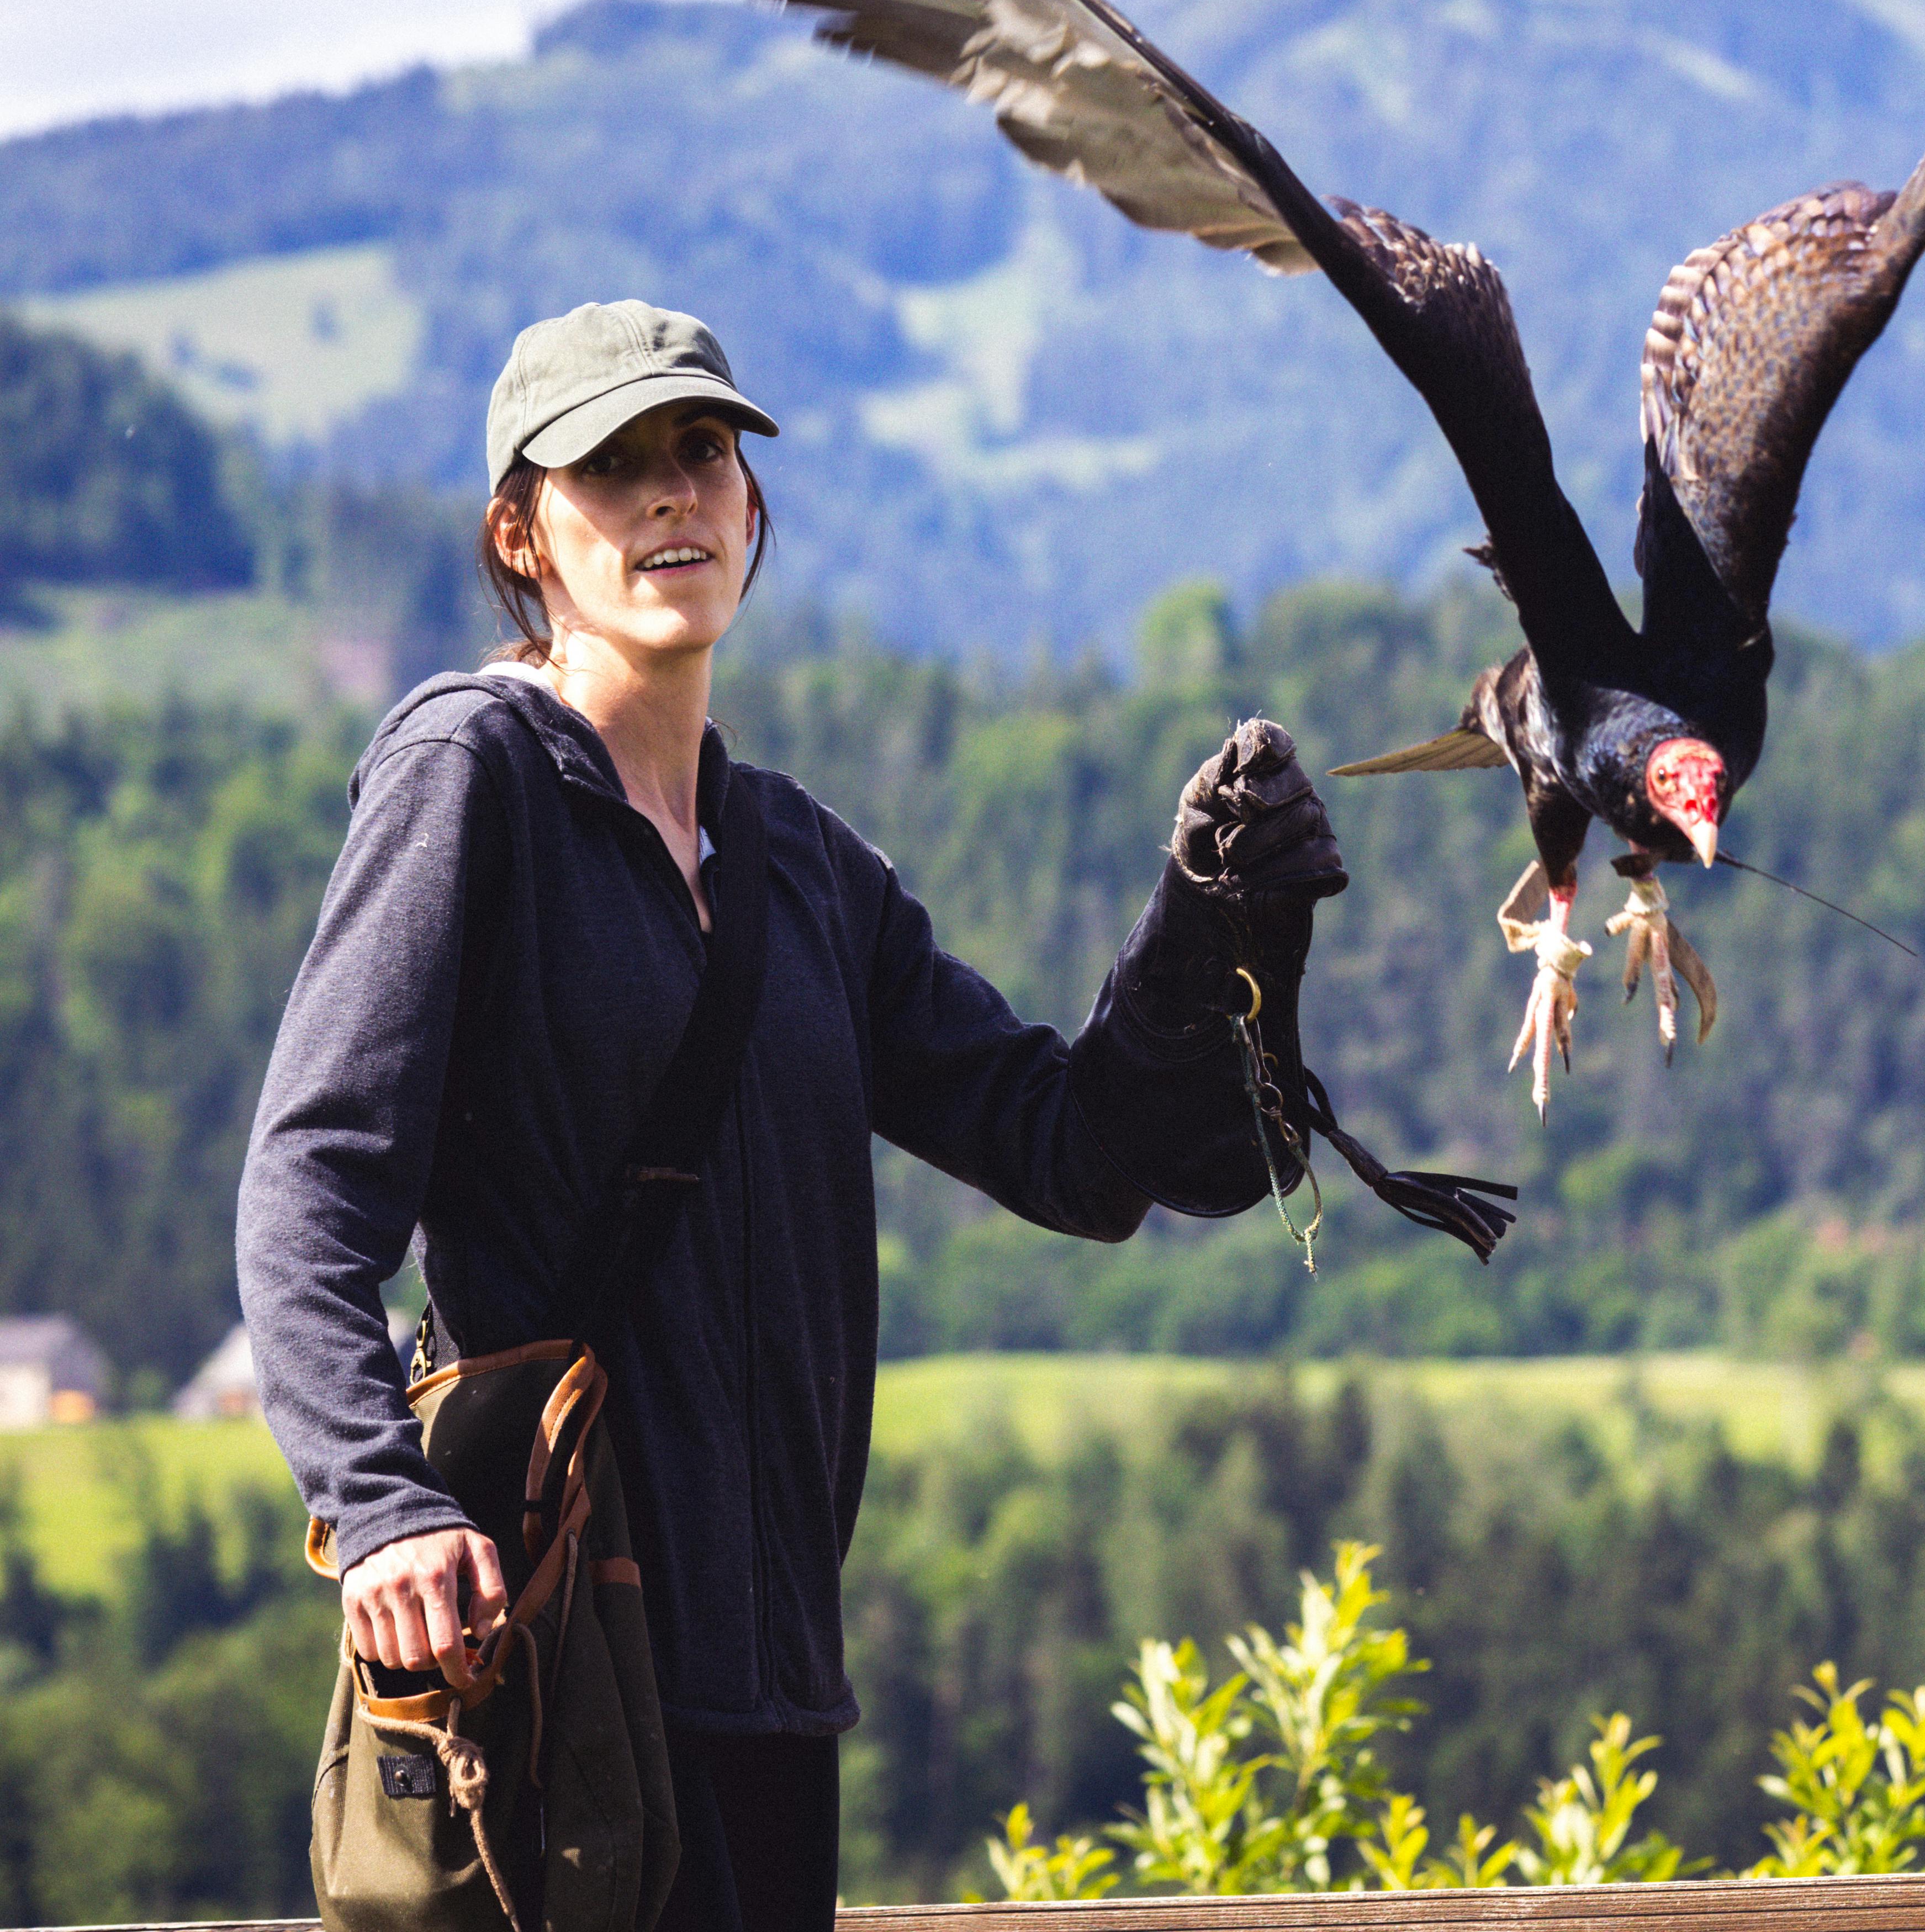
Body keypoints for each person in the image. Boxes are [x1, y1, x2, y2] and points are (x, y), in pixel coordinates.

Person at [237, 300, 1344, 1930]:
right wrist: (380, 1500)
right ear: (520, 532)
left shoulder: (798, 867)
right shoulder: (472, 780)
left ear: (755, 508)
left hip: (773, 1689)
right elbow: (309, 1184)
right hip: (560, 1670)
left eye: (703, 451)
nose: (673, 495)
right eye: (612, 468)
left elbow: (1077, 1153)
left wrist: (1205, 934)